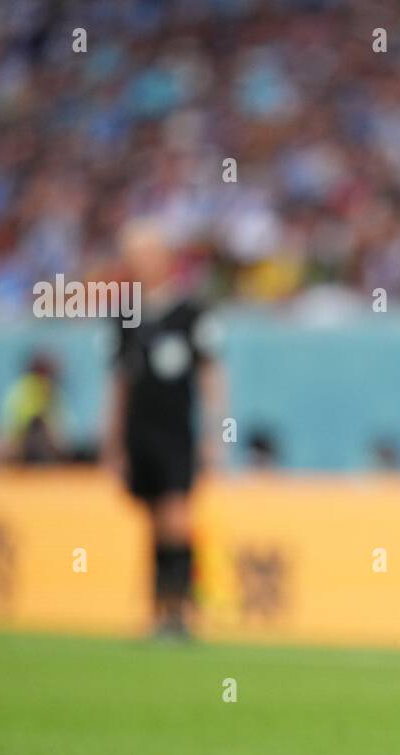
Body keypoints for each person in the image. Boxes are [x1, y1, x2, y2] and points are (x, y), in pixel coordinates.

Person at [102, 220, 226, 638]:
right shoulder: (125, 315)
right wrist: (114, 443)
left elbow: (211, 376)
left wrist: (215, 433)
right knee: (154, 520)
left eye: (147, 254)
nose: (139, 263)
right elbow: (118, 383)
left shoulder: (192, 313)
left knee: (177, 517)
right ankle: (158, 612)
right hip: (140, 432)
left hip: (176, 432)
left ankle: (181, 611)